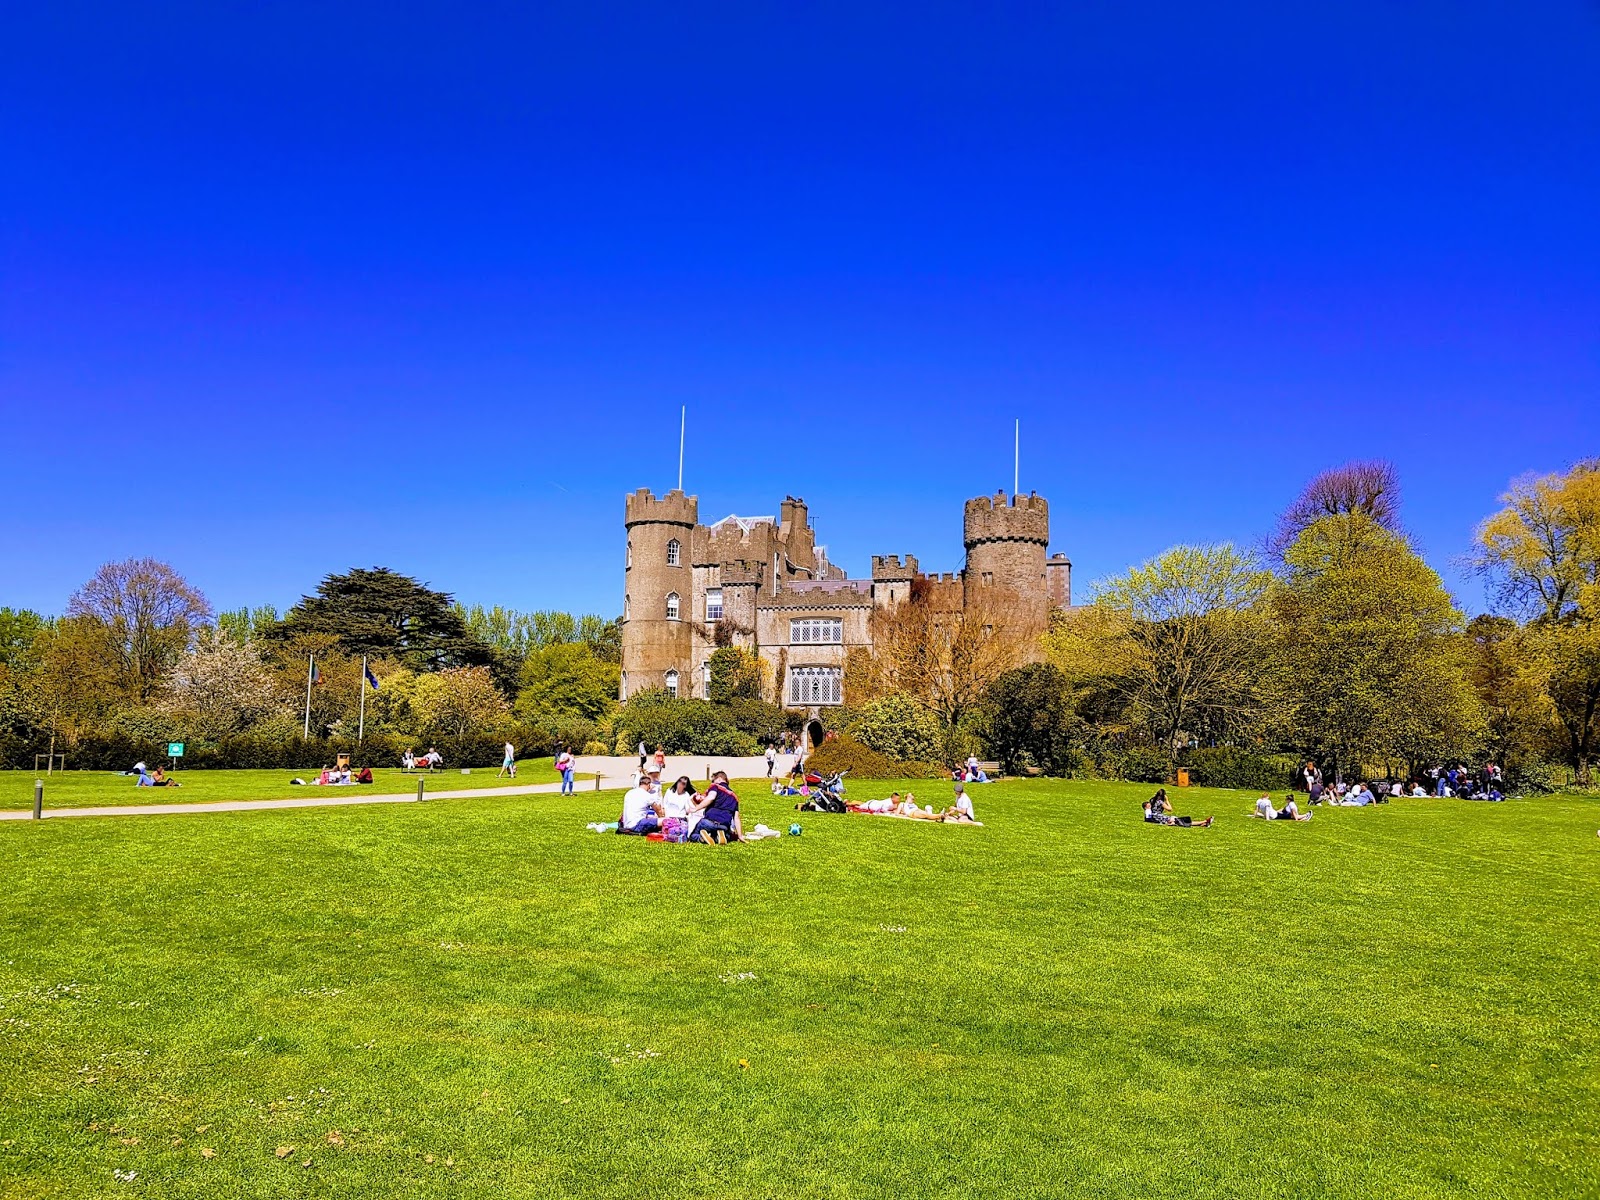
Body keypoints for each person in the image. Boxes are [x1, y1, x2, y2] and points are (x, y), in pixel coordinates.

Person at [693, 771, 742, 844]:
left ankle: (702, 838)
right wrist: (740, 836)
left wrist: (696, 808)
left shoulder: (716, 786)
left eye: (713, 781)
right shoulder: (735, 797)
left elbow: (711, 797)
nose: (712, 783)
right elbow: (736, 818)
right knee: (728, 836)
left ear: (719, 779)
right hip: (724, 825)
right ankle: (717, 836)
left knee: (693, 835)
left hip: (709, 822)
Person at [1143, 788, 1212, 828]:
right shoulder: (1160, 802)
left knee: (1181, 820)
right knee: (1181, 821)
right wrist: (1167, 800)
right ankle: (1205, 821)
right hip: (1160, 818)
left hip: (1155, 817)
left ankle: (1204, 823)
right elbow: (1170, 809)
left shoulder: (1152, 800)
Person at [660, 775, 698, 842]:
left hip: (679, 818)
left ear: (685, 786)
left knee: (679, 831)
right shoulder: (669, 791)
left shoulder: (686, 795)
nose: (680, 784)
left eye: (683, 783)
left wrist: (695, 808)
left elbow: (687, 809)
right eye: (679, 781)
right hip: (668, 818)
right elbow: (664, 805)